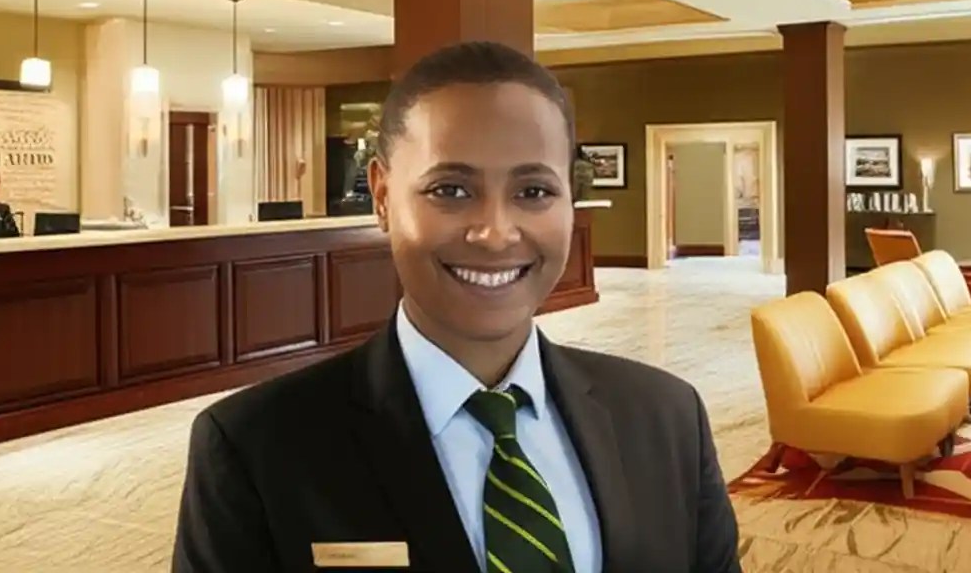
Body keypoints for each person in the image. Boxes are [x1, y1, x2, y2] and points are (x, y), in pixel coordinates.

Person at [171, 41, 740, 573]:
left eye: (533, 191)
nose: (495, 234)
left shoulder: (666, 418)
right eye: (450, 190)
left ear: (569, 199)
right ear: (384, 197)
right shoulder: (257, 447)